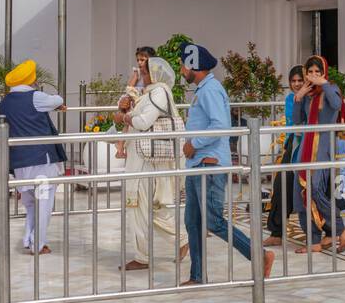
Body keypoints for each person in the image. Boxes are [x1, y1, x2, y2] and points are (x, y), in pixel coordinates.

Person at [180, 43, 274, 284]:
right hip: (198, 165)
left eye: (183, 64)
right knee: (192, 221)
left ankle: (259, 255)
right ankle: (197, 275)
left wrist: (194, 143)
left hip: (209, 165)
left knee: (213, 221)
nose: (181, 69)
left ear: (194, 66)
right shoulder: (204, 89)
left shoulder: (210, 90)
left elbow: (221, 125)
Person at [112, 57, 188, 272]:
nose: (141, 76)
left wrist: (124, 118)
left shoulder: (159, 92)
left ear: (154, 74)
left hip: (148, 162)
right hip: (143, 158)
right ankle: (182, 239)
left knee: (138, 207)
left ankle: (142, 257)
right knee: (151, 210)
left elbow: (144, 123)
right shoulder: (149, 92)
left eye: (144, 72)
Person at [0, 60, 66, 255]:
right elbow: (57, 100)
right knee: (44, 203)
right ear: (31, 80)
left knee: (30, 204)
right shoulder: (35, 96)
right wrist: (57, 103)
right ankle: (37, 244)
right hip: (40, 161)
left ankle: (29, 239)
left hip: (20, 163)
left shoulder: (6, 101)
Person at [292, 55, 345, 253]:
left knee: (315, 189)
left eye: (317, 71)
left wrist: (323, 83)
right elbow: (298, 120)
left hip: (323, 146)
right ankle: (313, 240)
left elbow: (335, 104)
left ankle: (339, 228)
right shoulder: (307, 94)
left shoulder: (331, 89)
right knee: (299, 194)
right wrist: (298, 98)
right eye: (310, 72)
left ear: (324, 72)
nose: (313, 76)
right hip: (306, 146)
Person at [265, 65, 304, 246]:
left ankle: (332, 229)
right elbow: (294, 119)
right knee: (281, 183)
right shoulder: (291, 99)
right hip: (293, 145)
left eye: (300, 80)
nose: (296, 84)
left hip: (311, 145)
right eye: (293, 81)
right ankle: (276, 231)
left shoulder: (313, 97)